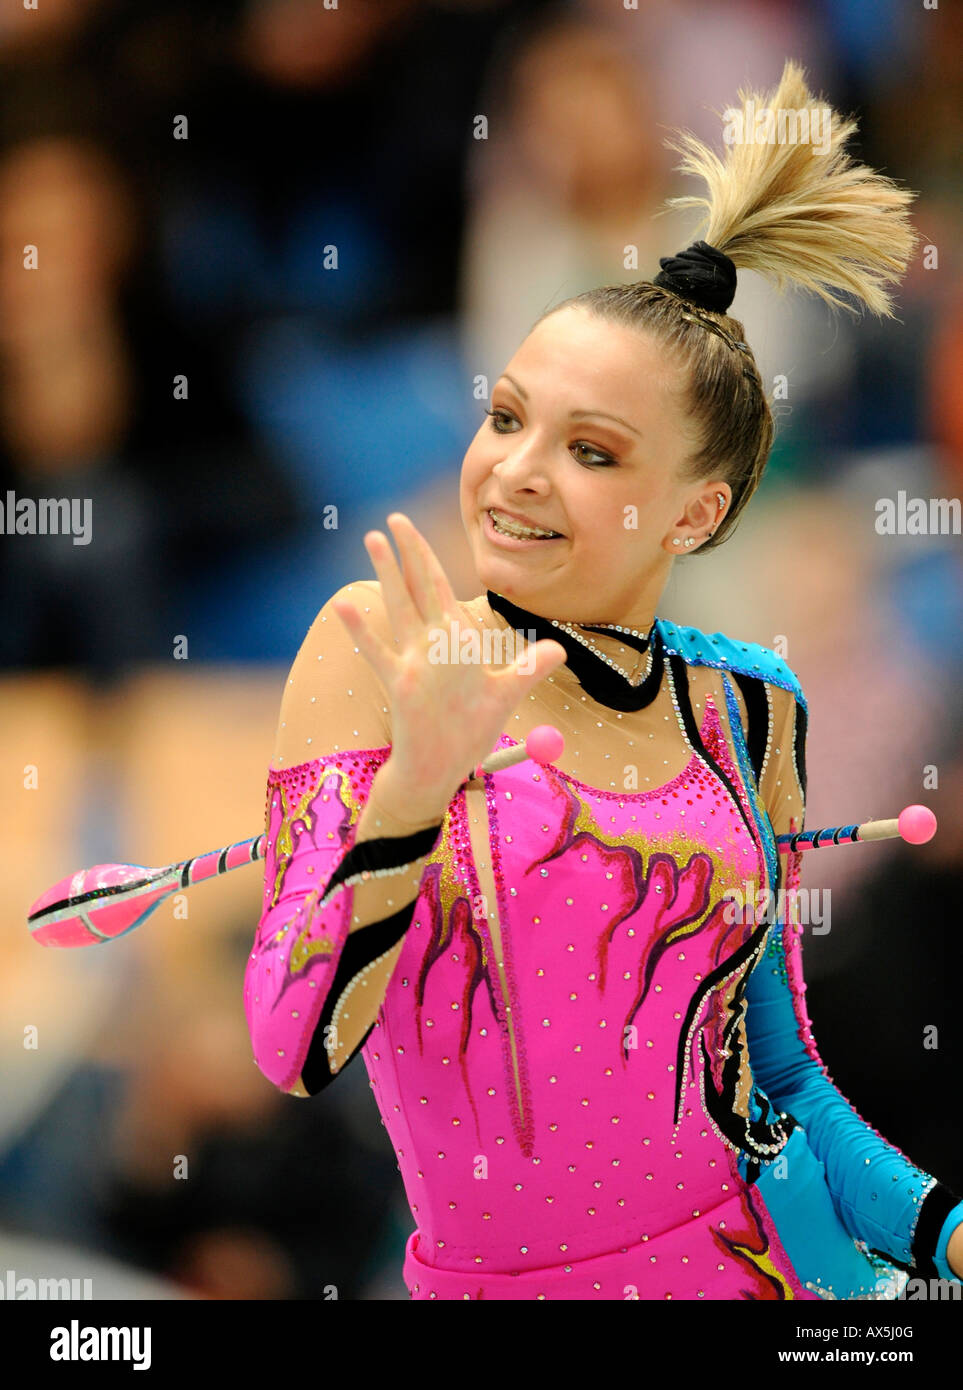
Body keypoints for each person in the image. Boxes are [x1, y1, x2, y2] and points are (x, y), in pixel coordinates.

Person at [243, 61, 963, 1300]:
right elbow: (292, 1045)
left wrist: (948, 1231)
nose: (516, 470)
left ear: (698, 509)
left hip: (757, 1274)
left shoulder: (746, 705)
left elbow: (786, 1088)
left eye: (588, 449)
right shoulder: (381, 641)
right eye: (506, 416)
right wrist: (415, 782)